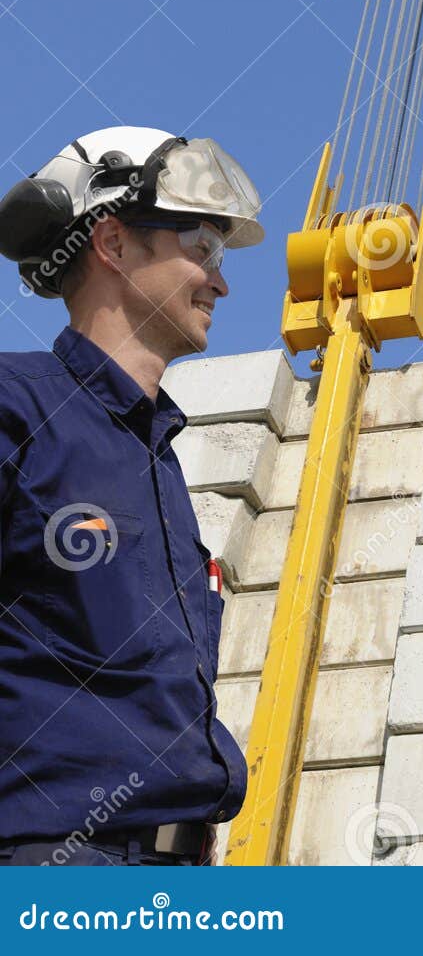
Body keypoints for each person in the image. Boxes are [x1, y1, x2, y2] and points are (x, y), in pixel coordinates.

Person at [0, 127, 264, 866]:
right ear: (113, 243)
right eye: (201, 248)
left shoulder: (157, 460)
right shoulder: (17, 408)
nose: (219, 282)